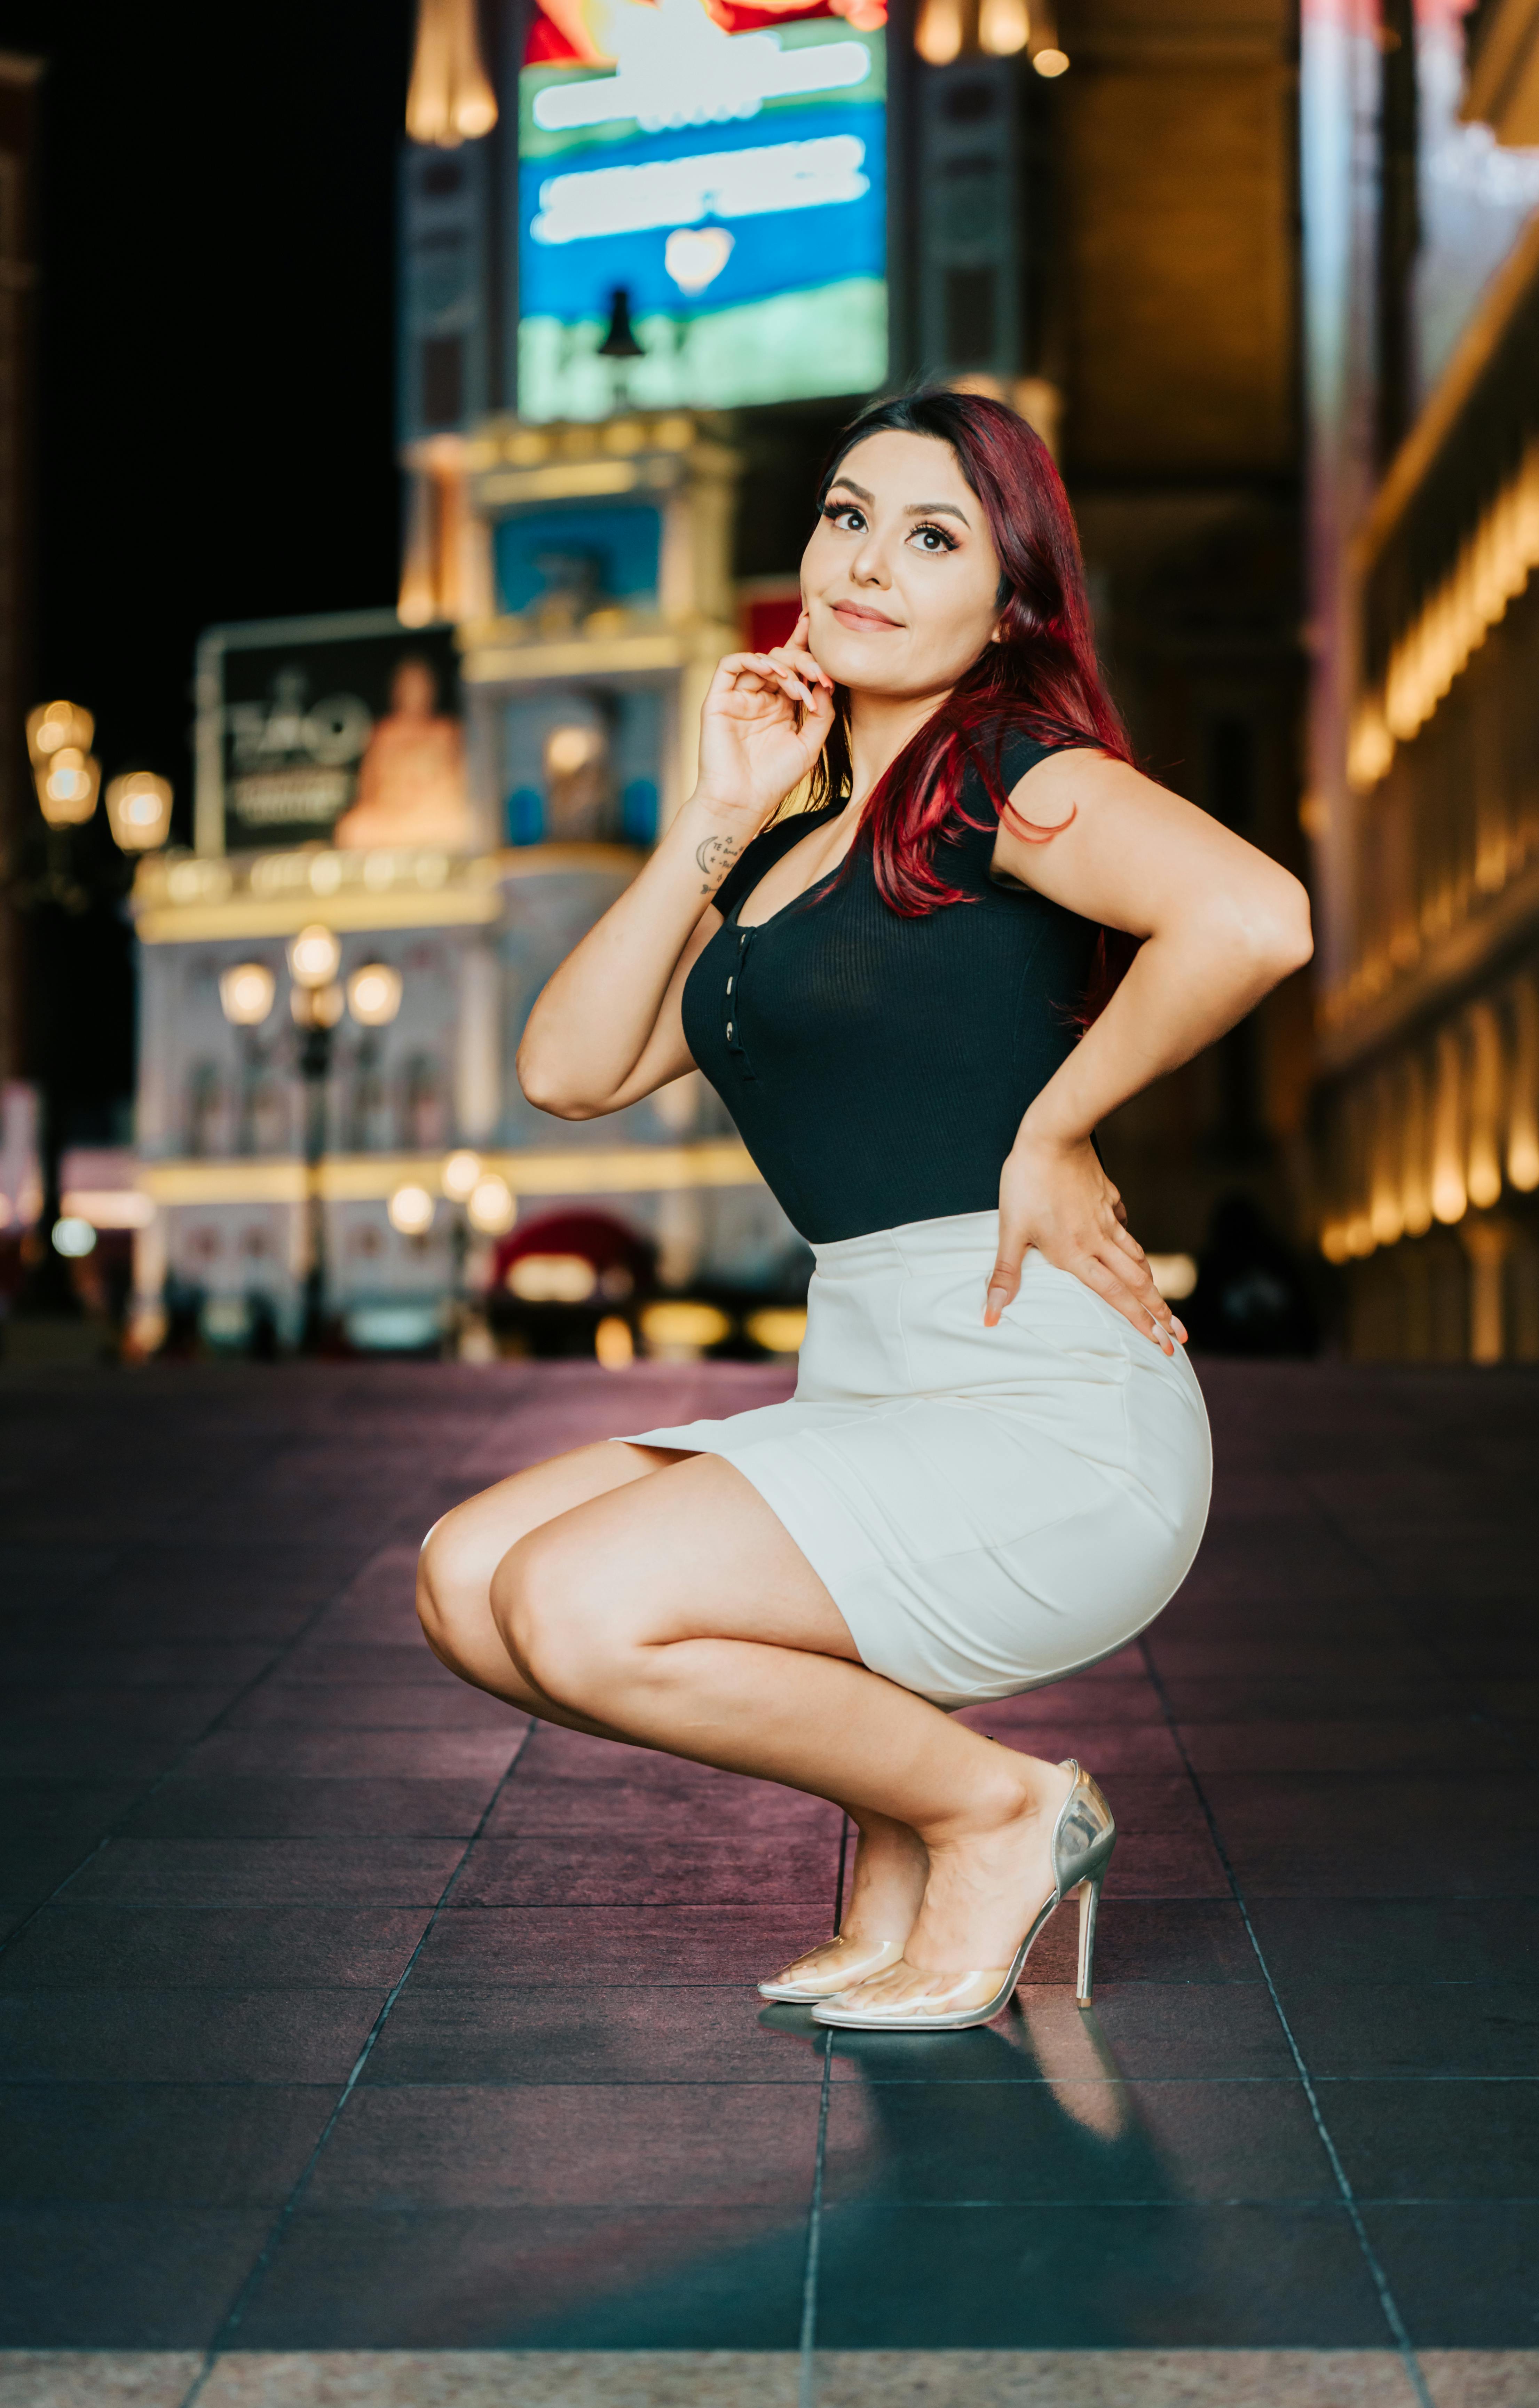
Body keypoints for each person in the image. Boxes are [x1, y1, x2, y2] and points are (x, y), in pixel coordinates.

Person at [418, 389, 1312, 2031]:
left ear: (1012, 601)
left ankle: (995, 1814)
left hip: (1043, 1406)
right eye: (845, 516)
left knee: (573, 1603)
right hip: (871, 1385)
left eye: (931, 536)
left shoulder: (1006, 778)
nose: (866, 564)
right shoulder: (784, 858)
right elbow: (568, 1067)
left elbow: (1253, 916)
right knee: (468, 1577)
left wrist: (1056, 1128)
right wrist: (719, 805)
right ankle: (908, 1839)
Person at [334, 658, 472, 853]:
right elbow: (369, 792)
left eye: (420, 685)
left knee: (464, 825)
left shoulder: (447, 731)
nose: (415, 693)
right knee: (355, 830)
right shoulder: (384, 734)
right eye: (409, 685)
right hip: (392, 820)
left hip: (434, 817)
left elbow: (461, 785)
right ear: (397, 690)